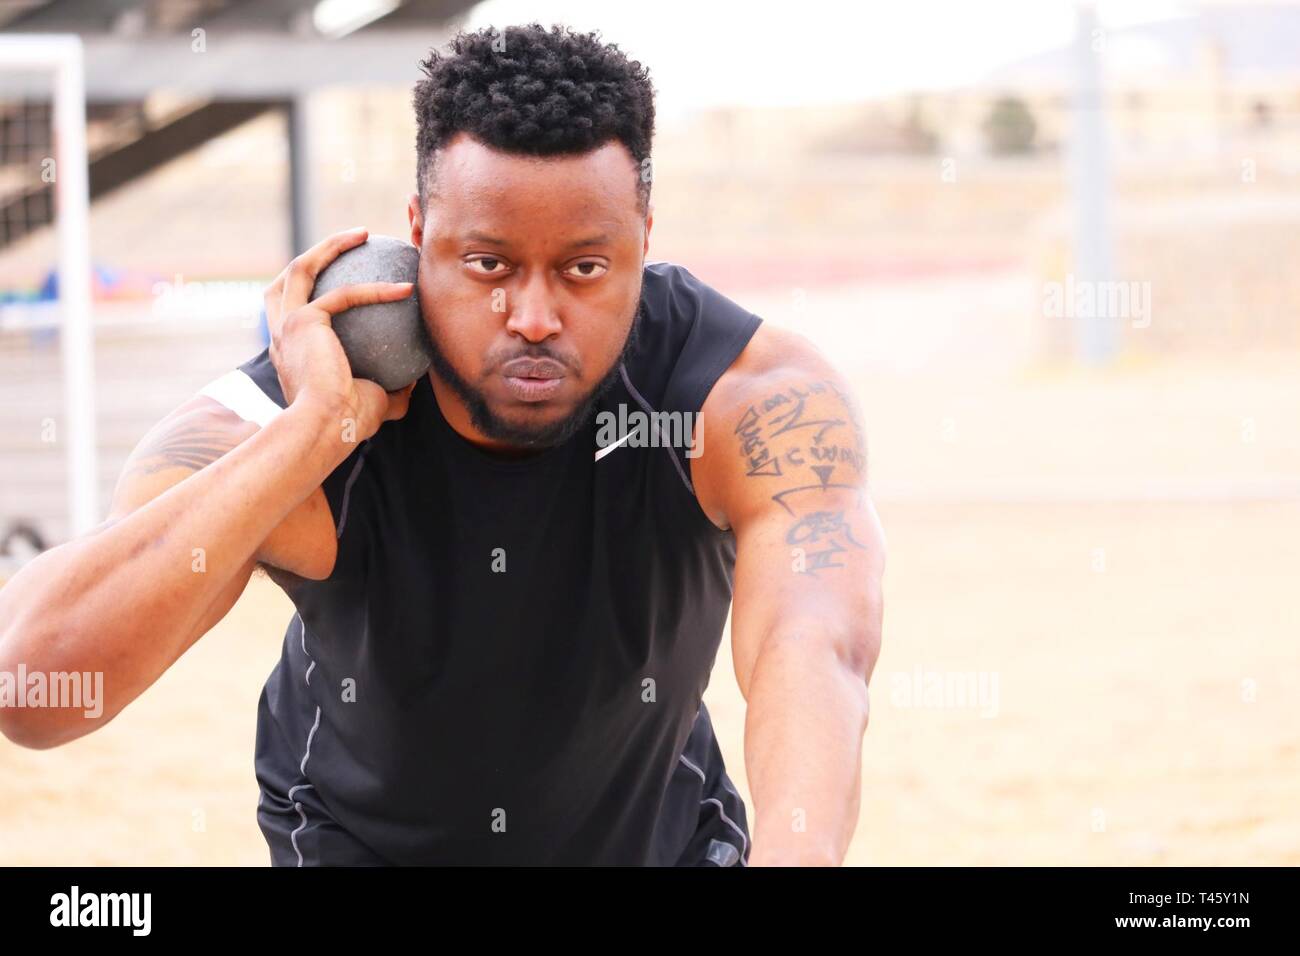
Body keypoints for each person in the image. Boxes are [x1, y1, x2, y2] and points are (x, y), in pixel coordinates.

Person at [0, 23, 885, 866]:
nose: (533, 319)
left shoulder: (738, 398)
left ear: (643, 241)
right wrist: (313, 433)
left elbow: (813, 646)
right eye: (489, 264)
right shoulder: (297, 408)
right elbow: (32, 688)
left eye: (584, 267)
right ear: (418, 237)